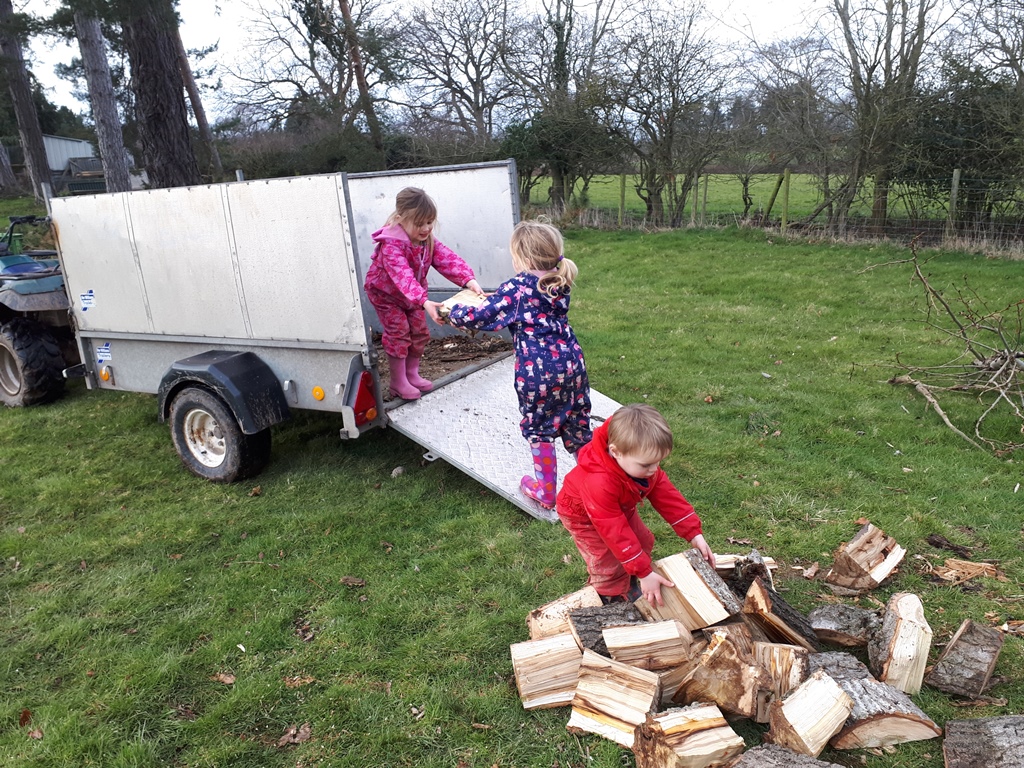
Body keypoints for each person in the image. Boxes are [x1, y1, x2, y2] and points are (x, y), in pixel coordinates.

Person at [446, 220, 591, 509]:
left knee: (540, 427)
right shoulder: (558, 281)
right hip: (572, 363)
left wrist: (453, 310)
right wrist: (498, 301)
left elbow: (482, 317)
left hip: (538, 372)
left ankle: (546, 492)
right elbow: (512, 306)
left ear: (522, 259)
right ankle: (597, 485)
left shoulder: (519, 287)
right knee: (577, 425)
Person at [555, 403, 716, 605]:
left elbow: (669, 498)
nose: (654, 469)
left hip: (617, 506)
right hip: (583, 515)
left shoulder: (639, 468)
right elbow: (615, 531)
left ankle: (631, 573)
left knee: (643, 540)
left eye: (658, 462)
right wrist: (644, 572)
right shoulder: (599, 483)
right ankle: (609, 597)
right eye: (646, 464)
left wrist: (694, 533)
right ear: (616, 452)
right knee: (608, 560)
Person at [364, 187, 484, 400]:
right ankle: (398, 382)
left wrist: (468, 279)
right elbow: (403, 277)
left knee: (419, 331)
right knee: (399, 331)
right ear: (401, 219)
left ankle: (412, 374)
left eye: (430, 222)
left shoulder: (426, 240)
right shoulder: (391, 245)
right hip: (386, 294)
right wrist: (424, 301)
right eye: (419, 224)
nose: (426, 228)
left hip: (414, 295)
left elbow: (446, 259)